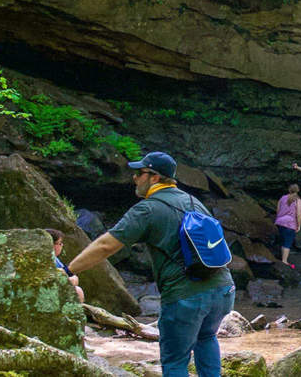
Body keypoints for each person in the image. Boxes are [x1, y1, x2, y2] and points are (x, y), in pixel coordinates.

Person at [70, 152, 235, 377]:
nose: (134, 178)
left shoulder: (147, 209)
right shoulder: (192, 201)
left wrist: (69, 269)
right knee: (206, 338)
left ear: (154, 177)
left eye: (139, 173)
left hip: (186, 297)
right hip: (223, 289)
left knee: (175, 361)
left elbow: (106, 246)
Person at [46, 228, 85, 302]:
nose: (62, 245)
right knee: (77, 291)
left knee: (77, 290)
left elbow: (72, 276)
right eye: (60, 243)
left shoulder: (55, 260)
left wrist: (70, 279)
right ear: (52, 245)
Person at [273, 183, 301, 269]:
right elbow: (299, 214)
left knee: (283, 240)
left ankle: (281, 257)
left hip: (280, 222)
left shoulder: (282, 198)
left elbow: (278, 210)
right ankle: (284, 261)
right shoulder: (298, 200)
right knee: (287, 243)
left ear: (289, 190)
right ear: (298, 191)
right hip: (290, 224)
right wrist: (299, 225)